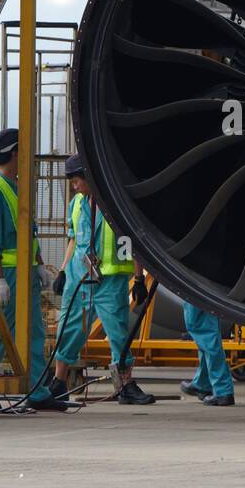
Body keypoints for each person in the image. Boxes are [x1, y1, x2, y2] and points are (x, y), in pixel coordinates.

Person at [0, 128, 64, 411]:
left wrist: (37, 264)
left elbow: (28, 231)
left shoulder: (18, 187)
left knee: (34, 332)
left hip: (24, 273)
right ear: (14, 154)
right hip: (7, 275)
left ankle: (37, 391)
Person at [52, 153, 155, 406]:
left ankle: (125, 385)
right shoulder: (76, 204)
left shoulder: (115, 204)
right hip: (79, 278)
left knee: (118, 333)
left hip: (109, 281)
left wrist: (139, 277)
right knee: (68, 329)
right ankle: (57, 382)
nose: (74, 186)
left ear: (90, 177)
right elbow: (73, 239)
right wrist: (63, 271)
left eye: (77, 180)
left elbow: (134, 243)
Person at [178, 300, 235, 406]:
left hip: (199, 284)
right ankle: (203, 383)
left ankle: (222, 390)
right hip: (208, 284)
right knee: (204, 333)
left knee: (202, 328)